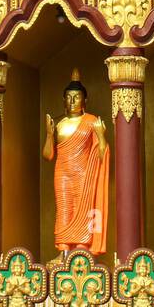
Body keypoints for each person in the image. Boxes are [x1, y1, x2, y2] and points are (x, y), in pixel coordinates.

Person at [43, 69, 109, 255]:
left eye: (77, 97)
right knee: (64, 209)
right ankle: (64, 250)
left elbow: (102, 155)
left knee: (85, 209)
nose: (72, 101)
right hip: (62, 173)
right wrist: (49, 134)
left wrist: (101, 137)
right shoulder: (60, 124)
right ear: (64, 100)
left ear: (84, 101)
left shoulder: (91, 121)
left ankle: (82, 250)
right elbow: (48, 155)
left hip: (83, 174)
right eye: (69, 97)